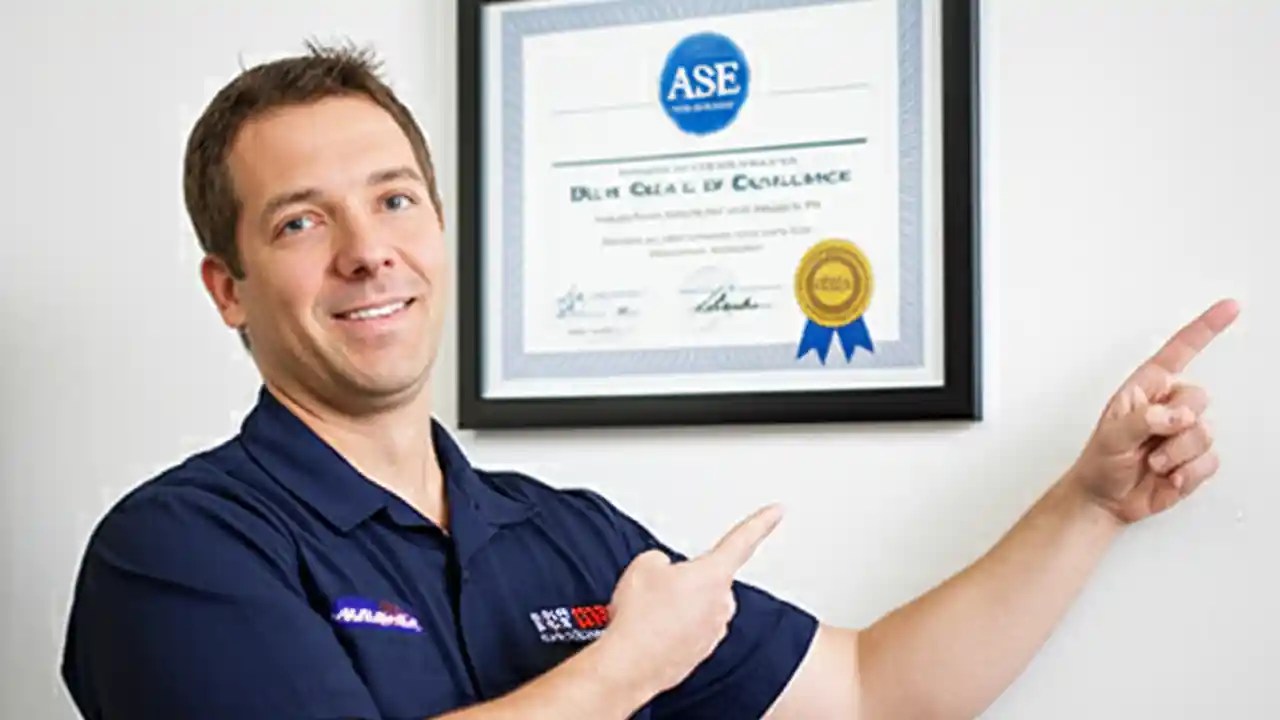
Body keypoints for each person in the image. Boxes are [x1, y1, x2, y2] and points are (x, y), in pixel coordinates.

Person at [60, 41, 1239, 720]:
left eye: (393, 198)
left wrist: (1085, 505)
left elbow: (875, 693)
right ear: (228, 289)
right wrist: (625, 668)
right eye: (301, 221)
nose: (368, 249)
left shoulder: (564, 537)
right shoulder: (176, 551)